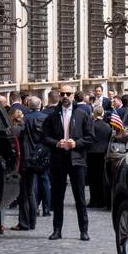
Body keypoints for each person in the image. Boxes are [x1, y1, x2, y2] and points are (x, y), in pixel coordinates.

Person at [42, 86, 94, 240]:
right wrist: (56, 143)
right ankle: (57, 229)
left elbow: (90, 137)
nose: (65, 96)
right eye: (62, 94)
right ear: (59, 95)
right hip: (58, 160)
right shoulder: (52, 115)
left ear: (73, 95)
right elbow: (44, 137)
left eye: (68, 94)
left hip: (77, 159)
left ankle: (83, 230)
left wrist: (76, 143)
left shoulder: (82, 114)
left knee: (80, 197)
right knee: (58, 197)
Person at [24, 96, 52, 218]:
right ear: (40, 106)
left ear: (29, 106)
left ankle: (34, 209)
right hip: (44, 153)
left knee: (32, 182)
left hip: (30, 153)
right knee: (45, 180)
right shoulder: (46, 118)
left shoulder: (25, 119)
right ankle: (46, 208)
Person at [88, 103, 112, 209]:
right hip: (103, 154)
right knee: (102, 178)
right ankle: (102, 200)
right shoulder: (107, 126)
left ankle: (94, 200)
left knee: (93, 179)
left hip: (92, 154)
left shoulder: (92, 125)